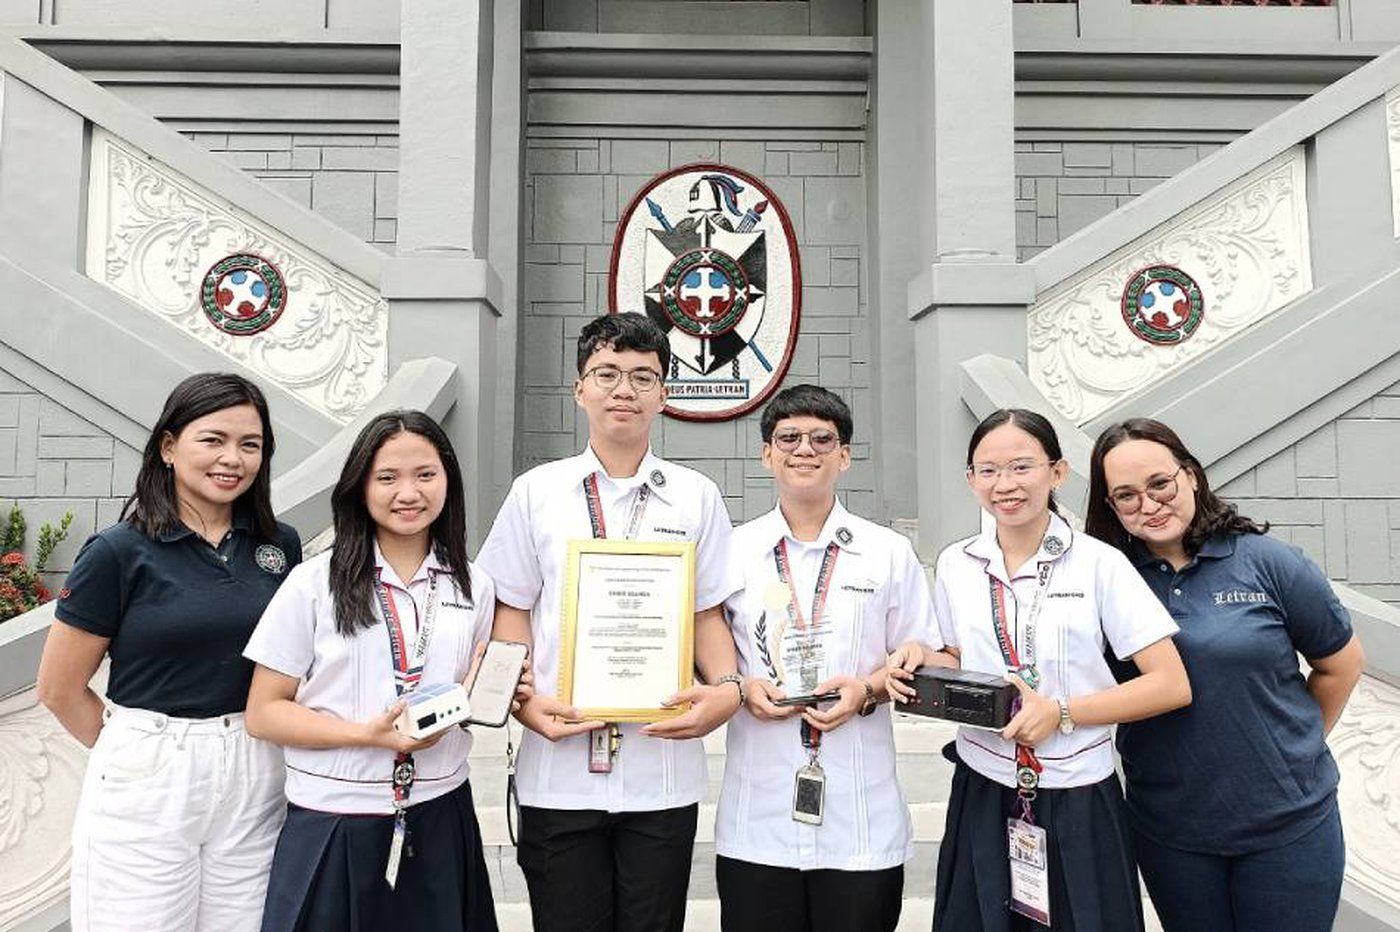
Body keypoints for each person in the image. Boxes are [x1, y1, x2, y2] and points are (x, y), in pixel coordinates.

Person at [476, 312, 745, 932]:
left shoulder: (695, 494)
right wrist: (522, 701)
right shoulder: (536, 492)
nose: (624, 389)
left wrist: (726, 692)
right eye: (607, 373)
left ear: (664, 394)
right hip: (559, 765)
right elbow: (513, 606)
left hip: (661, 769)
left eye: (643, 377)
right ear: (581, 388)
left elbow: (706, 612)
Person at [36, 372, 302, 932]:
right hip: (151, 770)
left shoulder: (279, 546)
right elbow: (58, 689)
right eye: (214, 439)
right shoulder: (118, 551)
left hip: (255, 766)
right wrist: (139, 753)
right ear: (168, 445)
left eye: (250, 445)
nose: (233, 458)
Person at [244, 410, 523, 931]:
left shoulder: (474, 587)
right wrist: (367, 736)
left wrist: (484, 696)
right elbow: (263, 712)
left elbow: (465, 698)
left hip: (440, 814)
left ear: (448, 482)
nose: (409, 493)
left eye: (425, 474)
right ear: (360, 486)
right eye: (387, 477)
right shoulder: (313, 584)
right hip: (334, 822)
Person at [1084, 417, 1365, 932]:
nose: (1148, 505)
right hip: (1172, 831)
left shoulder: (1268, 563)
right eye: (1126, 496)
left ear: (1190, 475)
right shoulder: (1105, 581)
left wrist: (1290, 749)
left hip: (1289, 827)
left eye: (1160, 484)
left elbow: (1340, 665)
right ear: (1110, 508)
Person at [928, 408, 1192, 932]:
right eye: (988, 470)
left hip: (1078, 797)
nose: (1005, 484)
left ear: (1057, 473)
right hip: (982, 785)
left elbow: (1170, 683)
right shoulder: (956, 564)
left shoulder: (1100, 564)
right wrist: (917, 663)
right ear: (971, 480)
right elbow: (957, 659)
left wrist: (1062, 712)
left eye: (1022, 467)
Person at [715, 384, 953, 932]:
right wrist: (741, 687)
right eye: (789, 437)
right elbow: (711, 657)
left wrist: (870, 688)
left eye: (823, 438)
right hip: (759, 817)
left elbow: (928, 653)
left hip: (859, 816)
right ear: (766, 453)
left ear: (844, 456)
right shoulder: (731, 550)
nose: (806, 449)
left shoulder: (887, 552)